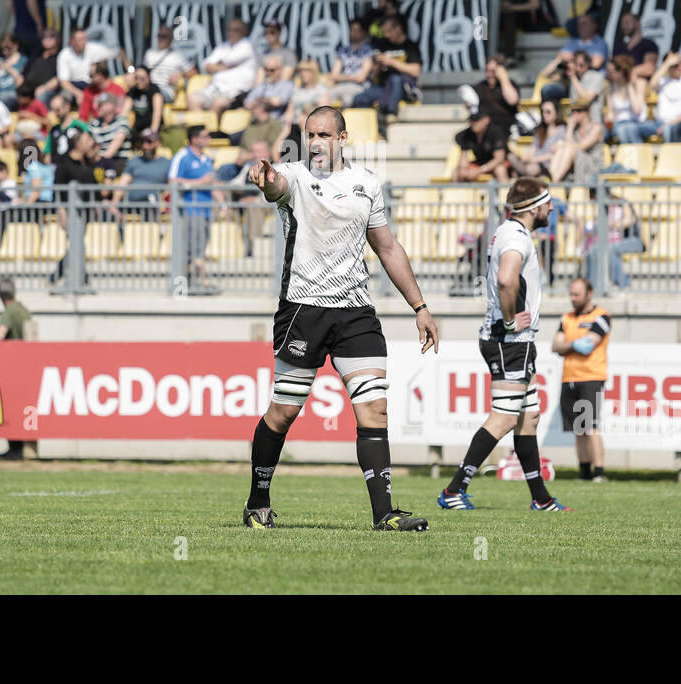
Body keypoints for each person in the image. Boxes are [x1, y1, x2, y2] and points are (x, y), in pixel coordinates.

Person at [243, 105, 439, 531]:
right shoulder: (294, 176)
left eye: (324, 135)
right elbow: (273, 184)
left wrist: (420, 307)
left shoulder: (367, 183)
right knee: (284, 413)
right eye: (310, 135)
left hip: (355, 313)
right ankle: (257, 501)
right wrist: (264, 177)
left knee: (376, 411)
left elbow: (387, 247)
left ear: (343, 138)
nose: (315, 143)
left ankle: (384, 514)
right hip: (303, 309)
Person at [437, 177, 572, 513]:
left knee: (528, 417)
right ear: (533, 207)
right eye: (547, 203)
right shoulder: (516, 237)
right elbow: (507, 278)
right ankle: (454, 490)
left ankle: (541, 499)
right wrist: (511, 321)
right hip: (508, 339)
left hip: (511, 339)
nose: (552, 208)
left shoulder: (509, 231)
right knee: (504, 417)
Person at [551, 277, 611, 482]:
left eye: (577, 294)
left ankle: (599, 472)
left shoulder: (601, 316)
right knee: (578, 429)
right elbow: (554, 346)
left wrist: (567, 343)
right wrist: (575, 343)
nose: (573, 298)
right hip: (569, 378)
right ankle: (584, 472)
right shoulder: (566, 317)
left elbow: (588, 345)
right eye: (571, 294)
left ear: (589, 293)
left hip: (590, 377)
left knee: (590, 426)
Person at [169, 124, 219, 294]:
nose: (209, 139)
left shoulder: (206, 159)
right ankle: (201, 284)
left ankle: (190, 284)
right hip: (190, 210)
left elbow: (213, 184)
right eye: (205, 136)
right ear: (194, 139)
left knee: (199, 250)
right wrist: (199, 182)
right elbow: (172, 182)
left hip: (205, 210)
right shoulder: (182, 156)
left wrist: (222, 205)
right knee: (193, 251)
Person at [351, 14, 422, 131]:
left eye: (389, 31)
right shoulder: (382, 45)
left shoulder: (410, 46)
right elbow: (374, 77)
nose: (386, 35)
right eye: (384, 32)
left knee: (395, 79)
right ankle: (367, 129)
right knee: (359, 98)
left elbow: (416, 71)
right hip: (383, 89)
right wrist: (378, 65)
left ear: (398, 28)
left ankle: (389, 115)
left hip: (404, 89)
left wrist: (391, 62)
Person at [0, 277, 35, 461]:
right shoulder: (24, 310)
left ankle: (15, 448)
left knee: (9, 408)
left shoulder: (9, 312)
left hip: (12, 367)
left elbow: (0, 336)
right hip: (27, 366)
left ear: (0, 294)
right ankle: (24, 448)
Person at [189, 18, 257, 113]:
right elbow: (206, 65)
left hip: (237, 92)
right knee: (193, 99)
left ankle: (211, 127)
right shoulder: (223, 46)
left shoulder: (247, 45)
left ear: (245, 31)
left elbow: (230, 60)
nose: (232, 33)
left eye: (236, 30)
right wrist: (224, 66)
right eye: (230, 29)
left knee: (218, 103)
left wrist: (218, 65)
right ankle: (202, 126)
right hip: (215, 89)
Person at [538, 13, 607, 103]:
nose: (580, 26)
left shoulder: (600, 43)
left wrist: (573, 59)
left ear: (594, 26)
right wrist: (561, 60)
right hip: (569, 82)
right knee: (548, 90)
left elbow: (596, 63)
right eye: (579, 24)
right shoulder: (572, 42)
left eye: (584, 24)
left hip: (589, 83)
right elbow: (560, 58)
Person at [458, 54, 520, 135]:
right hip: (482, 129)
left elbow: (512, 101)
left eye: (493, 71)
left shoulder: (510, 85)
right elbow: (471, 107)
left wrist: (504, 78)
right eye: (487, 70)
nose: (489, 74)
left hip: (503, 127)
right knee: (461, 136)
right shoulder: (481, 86)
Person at [326, 19, 376, 107]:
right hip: (342, 86)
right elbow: (333, 75)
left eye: (357, 30)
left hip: (360, 88)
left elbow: (361, 78)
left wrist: (341, 77)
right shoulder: (343, 50)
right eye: (352, 30)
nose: (353, 33)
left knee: (347, 99)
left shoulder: (368, 51)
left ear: (364, 33)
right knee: (324, 97)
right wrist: (351, 77)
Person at [452, 110, 510, 182]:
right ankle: (459, 193)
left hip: (497, 164)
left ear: (486, 120)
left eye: (476, 120)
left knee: (500, 169)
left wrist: (479, 170)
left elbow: (499, 159)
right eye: (471, 120)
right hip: (479, 163)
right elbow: (464, 156)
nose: (473, 123)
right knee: (456, 172)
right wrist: (463, 170)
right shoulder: (466, 134)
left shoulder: (496, 132)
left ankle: (505, 192)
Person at [601, 55, 648, 143]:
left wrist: (629, 84)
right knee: (600, 131)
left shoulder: (639, 84)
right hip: (617, 123)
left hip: (635, 122)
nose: (608, 74)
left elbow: (637, 110)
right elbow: (610, 112)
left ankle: (635, 155)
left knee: (623, 130)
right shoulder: (610, 87)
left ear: (621, 72)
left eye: (611, 71)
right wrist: (608, 119)